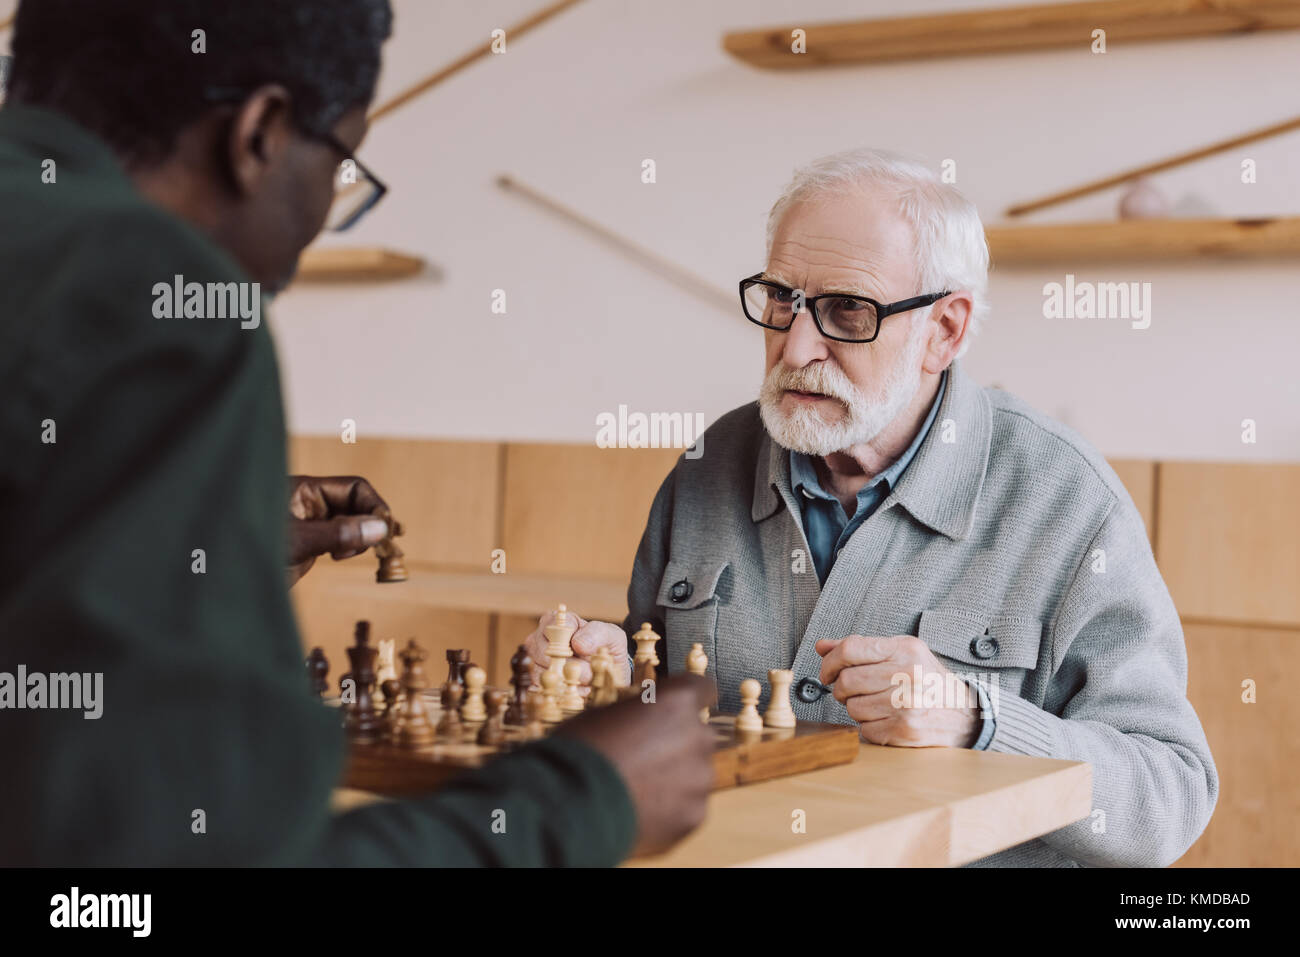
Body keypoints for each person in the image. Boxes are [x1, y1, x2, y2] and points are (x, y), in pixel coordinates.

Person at [0, 0, 714, 866]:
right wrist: (580, 803)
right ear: (260, 133)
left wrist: (180, 552)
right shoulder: (161, 299)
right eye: (340, 165)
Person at [525, 148, 1219, 868]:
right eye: (781, 299)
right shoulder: (710, 464)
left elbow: (1170, 796)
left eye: (846, 310)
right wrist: (603, 673)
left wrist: (979, 719)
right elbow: (657, 703)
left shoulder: (1067, 501)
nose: (795, 346)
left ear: (944, 331)